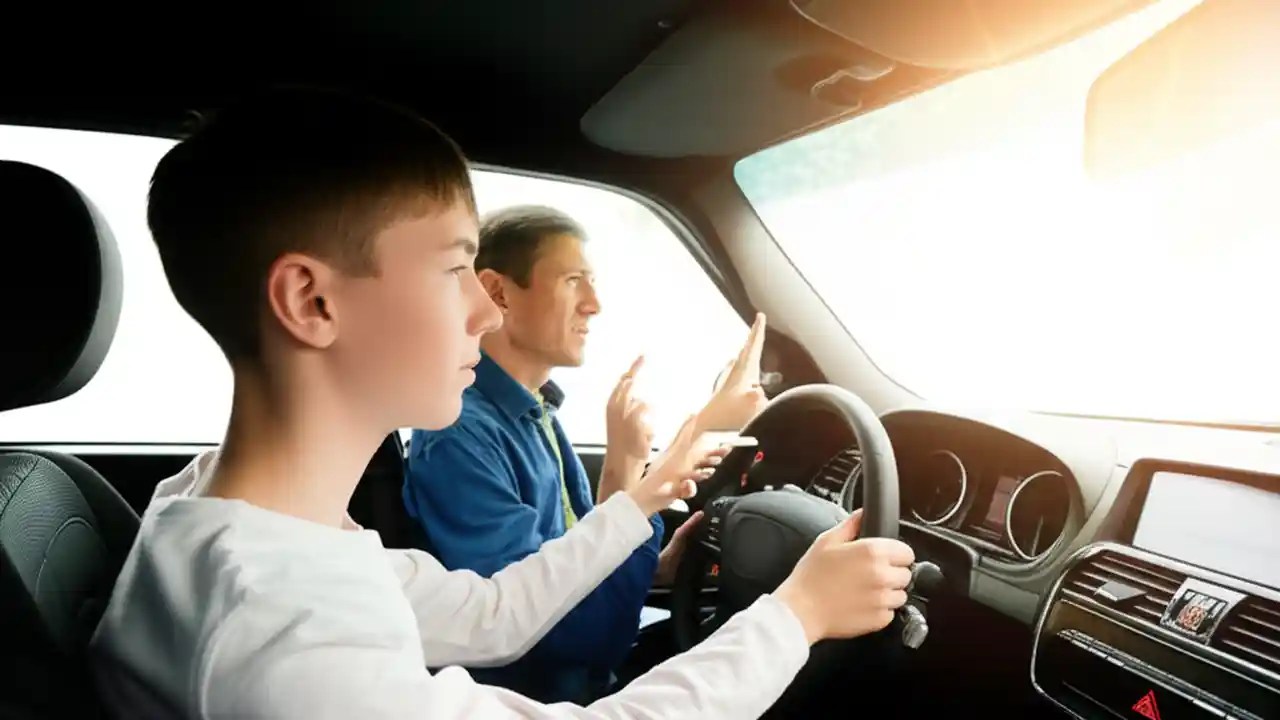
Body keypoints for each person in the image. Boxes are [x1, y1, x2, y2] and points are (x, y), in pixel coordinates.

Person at [87, 86, 916, 719]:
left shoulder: (236, 517)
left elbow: (489, 615)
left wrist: (638, 504)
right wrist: (795, 616)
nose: (485, 314)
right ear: (313, 303)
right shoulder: (281, 636)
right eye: (454, 271)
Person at [403, 205, 770, 702]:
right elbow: (559, 631)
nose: (594, 303)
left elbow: (566, 564)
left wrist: (653, 566)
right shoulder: (460, 436)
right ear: (497, 292)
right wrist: (633, 473)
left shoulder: (536, 413)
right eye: (574, 279)